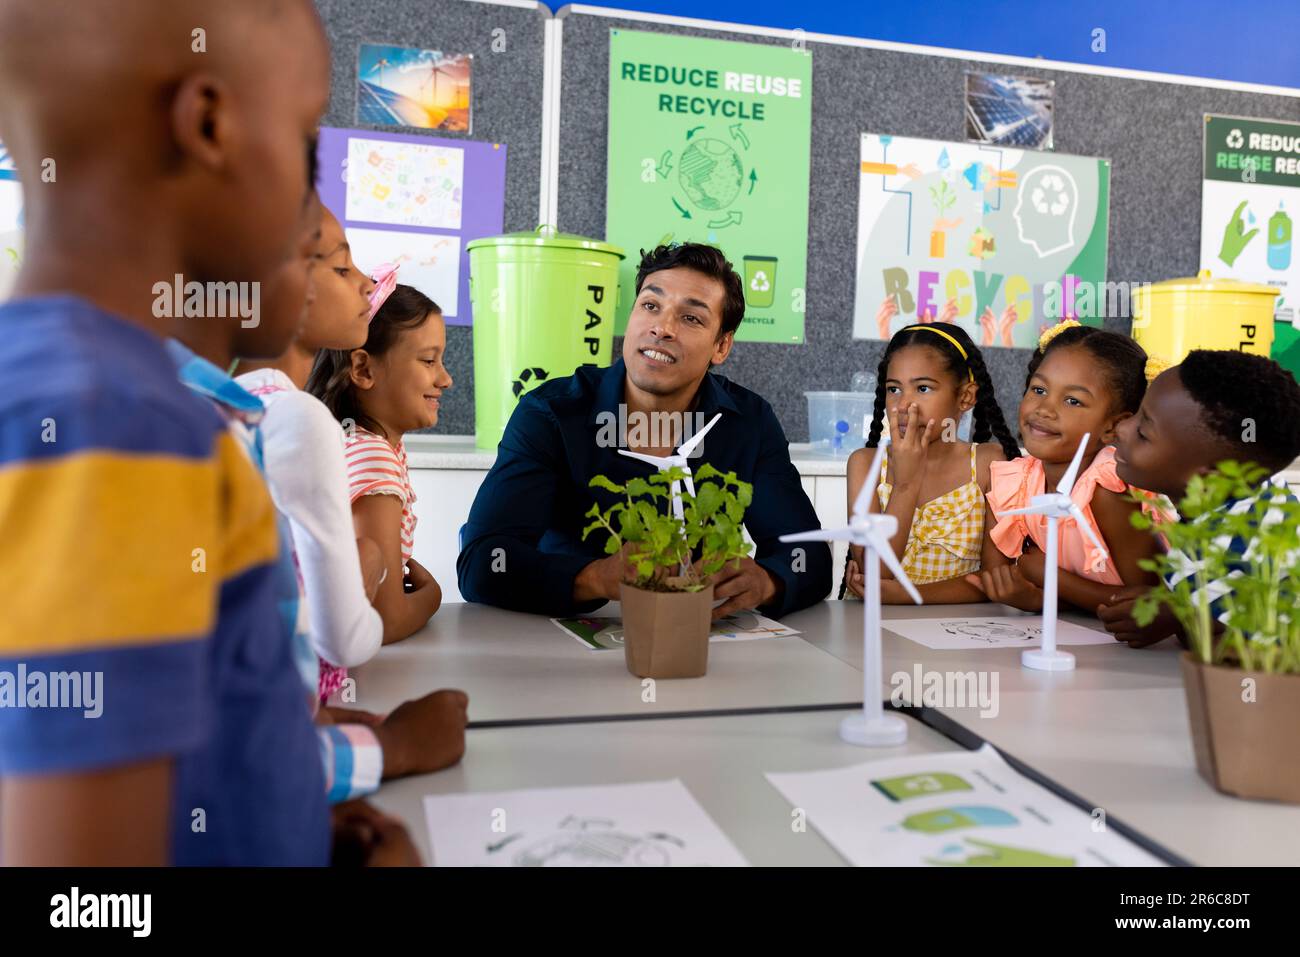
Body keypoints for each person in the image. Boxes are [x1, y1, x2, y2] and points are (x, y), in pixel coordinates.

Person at [457, 242, 831, 619]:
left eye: (691, 318)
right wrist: (595, 578)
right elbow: (484, 562)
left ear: (721, 345)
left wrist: (770, 582)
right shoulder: (551, 414)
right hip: (562, 643)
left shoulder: (749, 422)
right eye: (650, 306)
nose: (662, 328)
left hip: (698, 640)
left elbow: (807, 555)